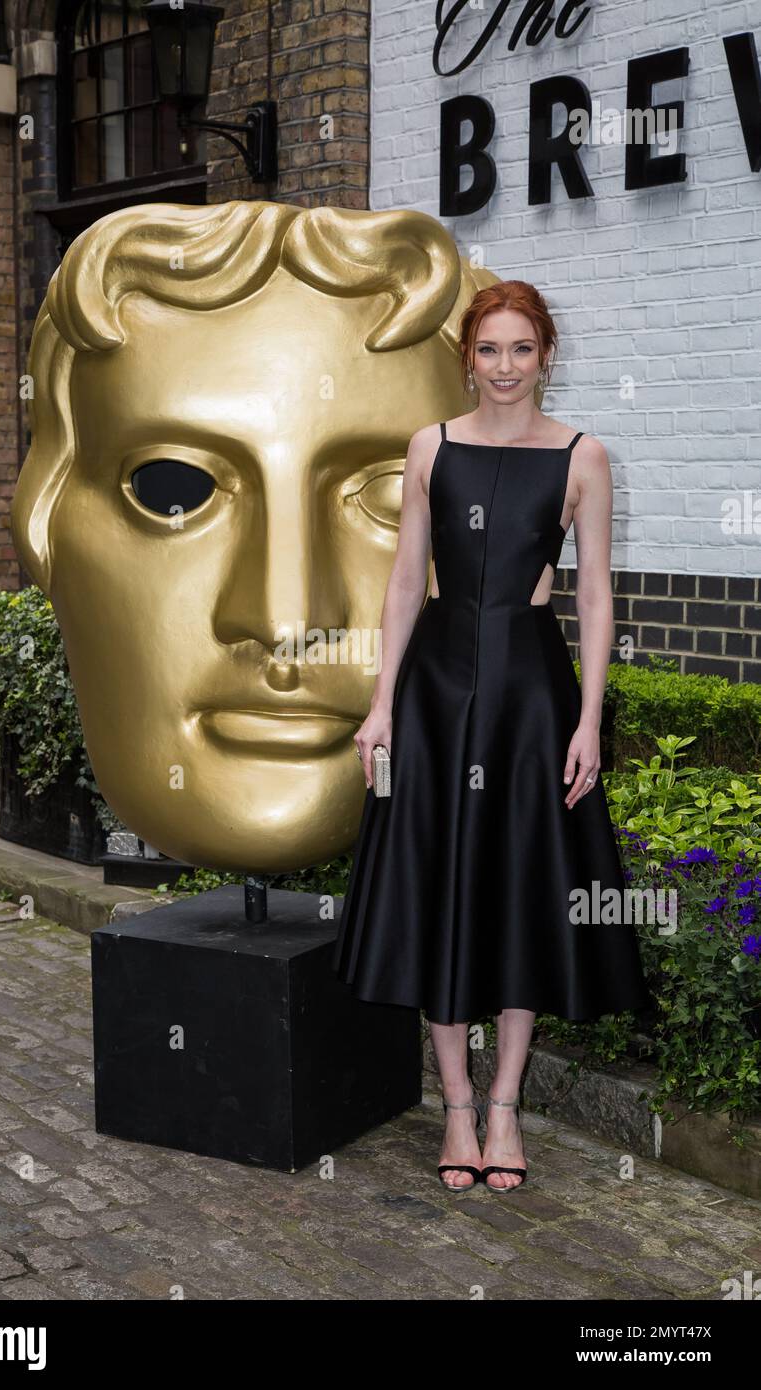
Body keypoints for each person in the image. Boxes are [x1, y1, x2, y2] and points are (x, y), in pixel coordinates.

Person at [331, 280, 653, 1194]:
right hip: (435, 693)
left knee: (519, 891)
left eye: (521, 349)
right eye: (488, 350)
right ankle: (457, 1103)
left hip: (530, 699)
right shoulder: (430, 446)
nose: (504, 367)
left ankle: (505, 1104)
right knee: (440, 884)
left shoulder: (583, 457)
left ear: (546, 354)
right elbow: (403, 582)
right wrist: (382, 701)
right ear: (466, 357)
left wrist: (590, 719)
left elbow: (594, 596)